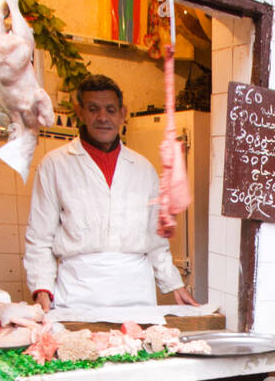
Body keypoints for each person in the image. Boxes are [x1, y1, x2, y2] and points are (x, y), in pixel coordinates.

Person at [24, 74, 198, 312]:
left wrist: (175, 284)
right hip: (77, 292)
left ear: (122, 113)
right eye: (93, 109)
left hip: (135, 292)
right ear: (80, 112)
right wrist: (42, 288)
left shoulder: (143, 168)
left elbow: (156, 241)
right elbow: (39, 237)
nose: (102, 117)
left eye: (110, 110)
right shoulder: (54, 165)